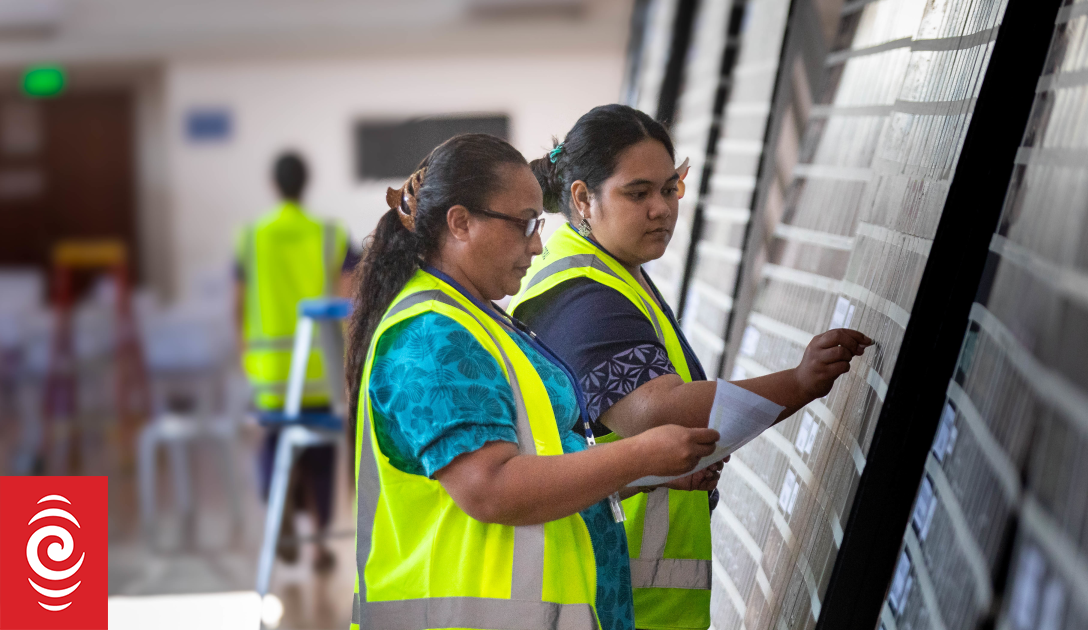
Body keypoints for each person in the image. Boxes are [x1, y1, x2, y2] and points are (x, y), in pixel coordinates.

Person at [510, 104, 873, 630]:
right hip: (617, 605)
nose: (661, 209)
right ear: (583, 198)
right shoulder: (579, 294)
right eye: (638, 194)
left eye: (669, 188)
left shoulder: (613, 269)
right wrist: (797, 384)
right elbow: (655, 415)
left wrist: (672, 467)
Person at [344, 133, 724, 630]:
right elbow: (490, 487)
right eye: (525, 225)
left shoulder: (477, 319)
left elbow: (539, 457)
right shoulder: (433, 337)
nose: (538, 244)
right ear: (460, 223)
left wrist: (637, 477)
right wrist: (640, 454)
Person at [234, 151, 358, 571]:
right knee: (321, 458)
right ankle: (320, 545)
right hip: (319, 370)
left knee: (274, 443)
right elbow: (349, 299)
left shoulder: (253, 236)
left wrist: (244, 352)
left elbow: (237, 303)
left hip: (270, 370)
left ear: (274, 185)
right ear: (307, 183)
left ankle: (278, 515)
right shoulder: (330, 234)